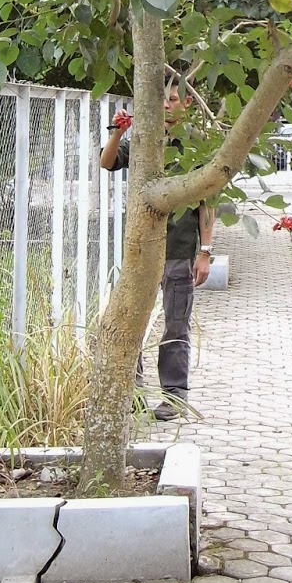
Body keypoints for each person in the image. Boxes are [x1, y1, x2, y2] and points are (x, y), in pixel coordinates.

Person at [99, 83, 214, 421]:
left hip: (179, 249)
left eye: (173, 99)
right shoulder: (146, 142)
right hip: (141, 250)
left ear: (188, 103)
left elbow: (207, 204)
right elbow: (107, 162)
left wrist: (205, 251)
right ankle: (131, 393)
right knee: (130, 320)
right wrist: (118, 133)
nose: (166, 105)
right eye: (161, 98)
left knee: (175, 325)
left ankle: (173, 397)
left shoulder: (197, 147)